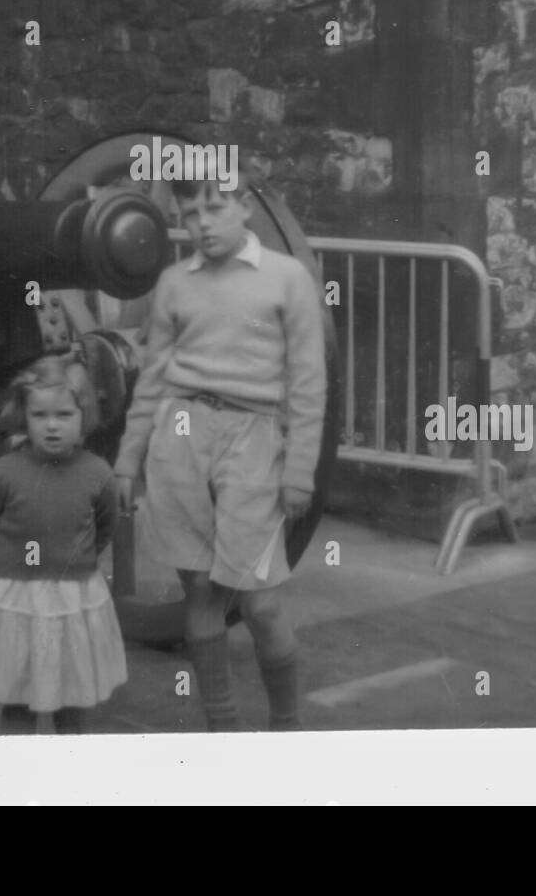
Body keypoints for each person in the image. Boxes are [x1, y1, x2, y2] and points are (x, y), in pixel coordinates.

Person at [112, 165, 326, 730]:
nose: (202, 225)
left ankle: (285, 726)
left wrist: (299, 470)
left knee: (260, 602)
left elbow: (308, 381)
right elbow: (154, 376)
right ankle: (222, 727)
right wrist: (129, 458)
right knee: (201, 592)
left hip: (253, 440)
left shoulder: (287, 278)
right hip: (180, 435)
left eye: (215, 209)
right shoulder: (175, 282)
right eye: (189, 214)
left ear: (244, 207)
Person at [0, 353, 127, 733]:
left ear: (84, 415)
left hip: (74, 600)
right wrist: (1, 571)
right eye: (40, 416)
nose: (52, 427)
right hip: (17, 601)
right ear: (24, 417)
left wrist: (77, 562)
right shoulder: (2, 474)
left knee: (71, 697)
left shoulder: (98, 474)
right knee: (19, 698)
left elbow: (104, 528)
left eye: (64, 416)